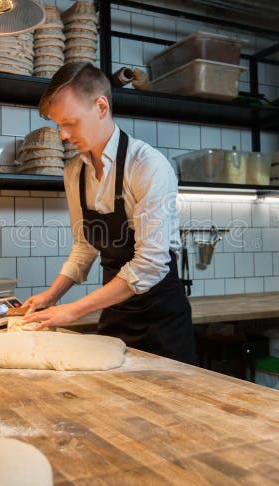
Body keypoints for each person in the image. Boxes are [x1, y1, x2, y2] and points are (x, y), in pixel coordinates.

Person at [20, 62, 197, 364]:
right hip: (115, 317)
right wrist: (53, 295)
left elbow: (150, 264)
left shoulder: (147, 165)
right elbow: (85, 245)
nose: (63, 135)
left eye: (70, 123)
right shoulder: (74, 172)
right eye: (58, 125)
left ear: (101, 106)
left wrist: (74, 309)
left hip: (163, 323)